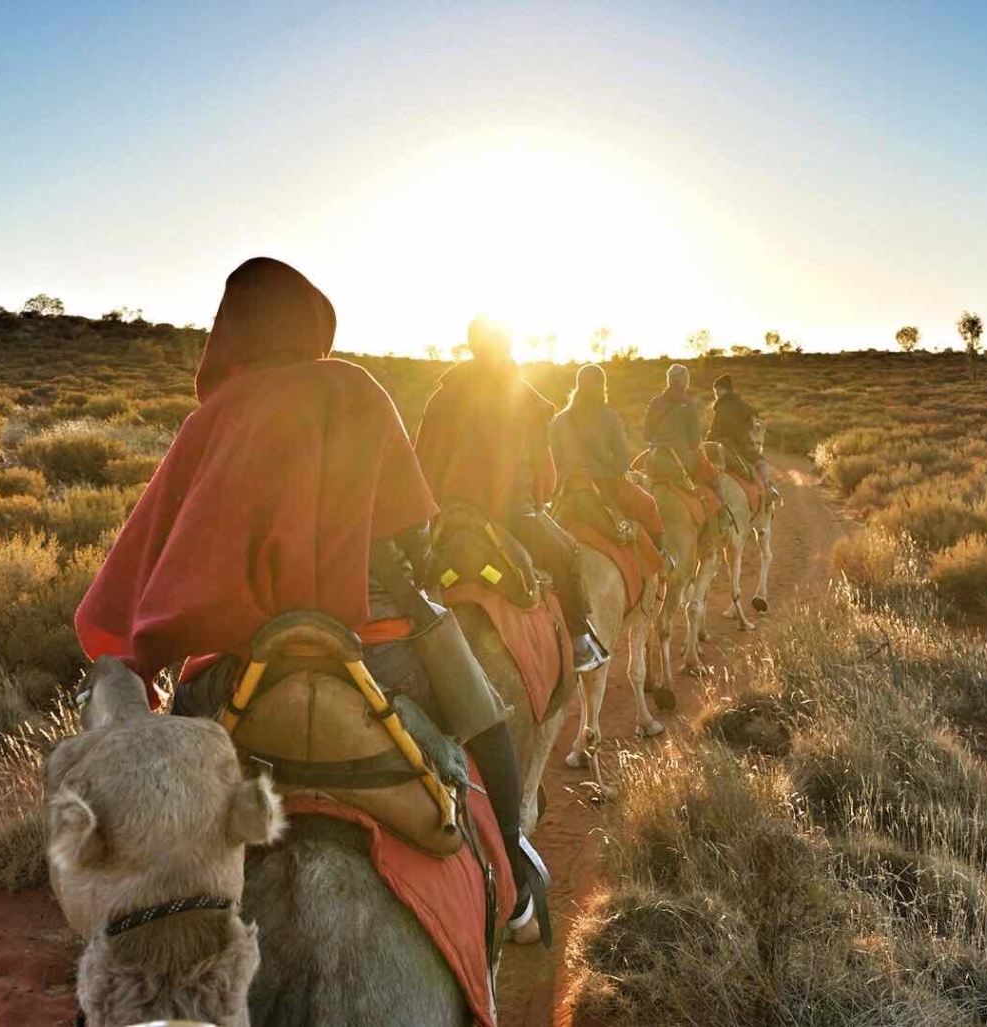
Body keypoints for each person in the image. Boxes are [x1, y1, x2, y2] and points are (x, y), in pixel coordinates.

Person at [73, 258, 546, 934]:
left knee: (169, 790)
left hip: (238, 665)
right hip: (376, 649)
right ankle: (517, 882)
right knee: (488, 725)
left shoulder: (208, 422)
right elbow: (411, 530)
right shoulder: (354, 387)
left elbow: (148, 557)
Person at [414, 316, 610, 672]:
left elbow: (422, 462)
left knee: (411, 580)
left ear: (472, 344)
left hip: (447, 517)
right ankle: (580, 642)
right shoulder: (525, 398)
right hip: (512, 516)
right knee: (566, 552)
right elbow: (546, 478)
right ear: (507, 345)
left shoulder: (441, 397)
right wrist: (536, 501)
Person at [548, 363, 666, 550]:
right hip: (604, 485)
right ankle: (660, 558)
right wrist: (609, 468)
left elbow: (553, 458)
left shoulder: (560, 420)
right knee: (649, 505)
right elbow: (623, 462)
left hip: (566, 487)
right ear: (601, 386)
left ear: (579, 385)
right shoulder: (609, 417)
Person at [643, 363, 719, 486]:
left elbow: (646, 436)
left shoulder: (654, 403)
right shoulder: (689, 405)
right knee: (711, 480)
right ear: (685, 382)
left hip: (654, 461)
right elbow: (694, 441)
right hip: (682, 462)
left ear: (668, 380)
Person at [707, 373, 771, 491]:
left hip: (726, 449)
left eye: (717, 390)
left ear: (723, 390)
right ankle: (768, 490)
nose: (716, 394)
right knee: (762, 463)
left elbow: (714, 432)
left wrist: (706, 443)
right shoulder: (746, 407)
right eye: (715, 391)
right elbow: (756, 428)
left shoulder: (721, 408)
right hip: (743, 449)